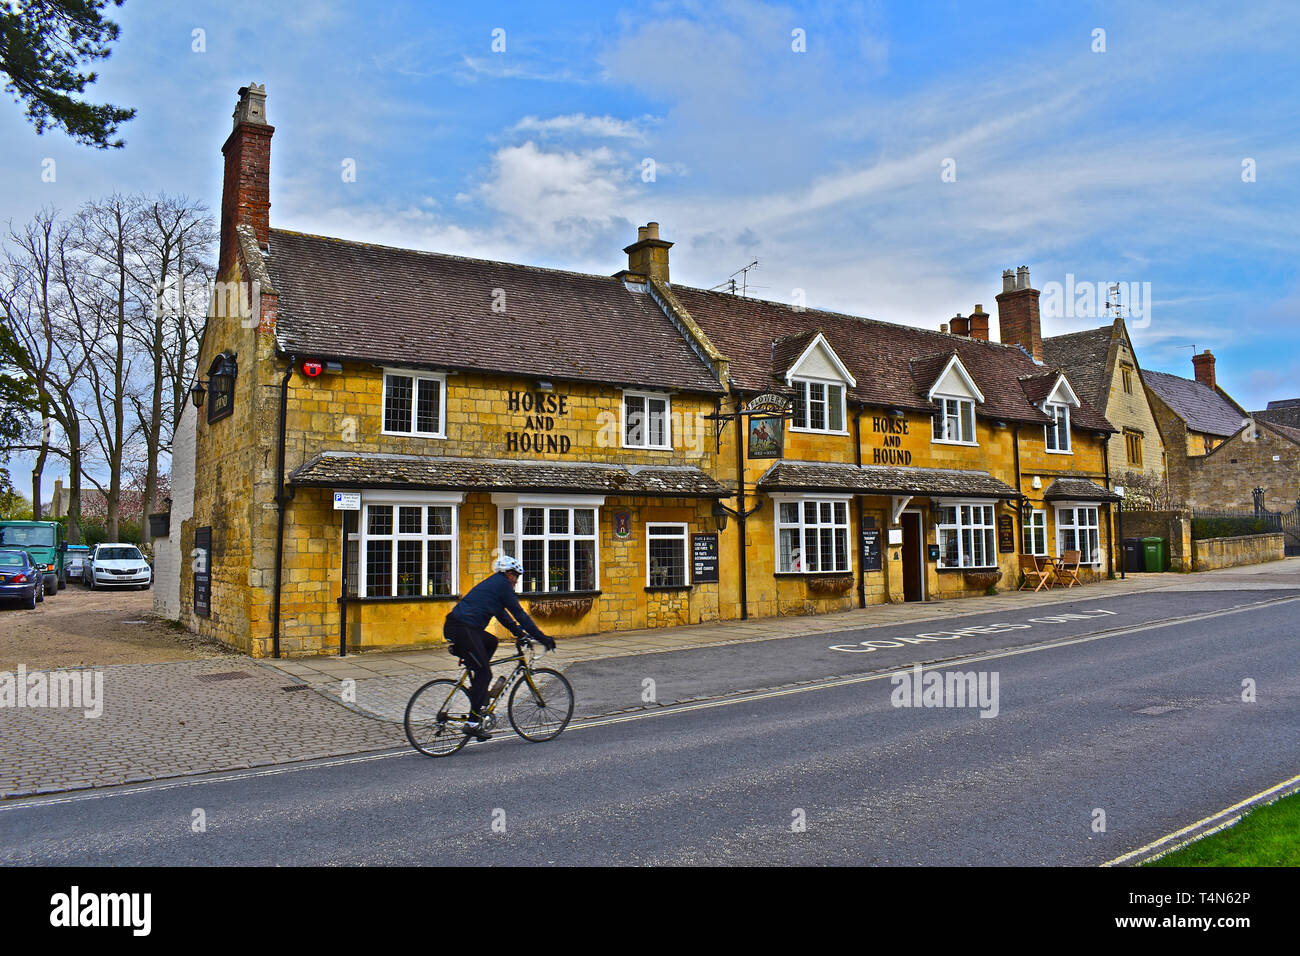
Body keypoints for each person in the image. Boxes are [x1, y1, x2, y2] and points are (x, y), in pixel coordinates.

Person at [444, 555, 555, 741]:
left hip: (462, 627)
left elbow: (503, 616)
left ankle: (478, 691)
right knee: (485, 673)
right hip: (463, 628)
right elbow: (520, 615)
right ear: (509, 574)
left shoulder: (495, 585)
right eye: (516, 577)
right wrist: (542, 638)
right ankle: (472, 723)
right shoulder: (502, 586)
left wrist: (520, 634)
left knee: (491, 642)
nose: (516, 581)